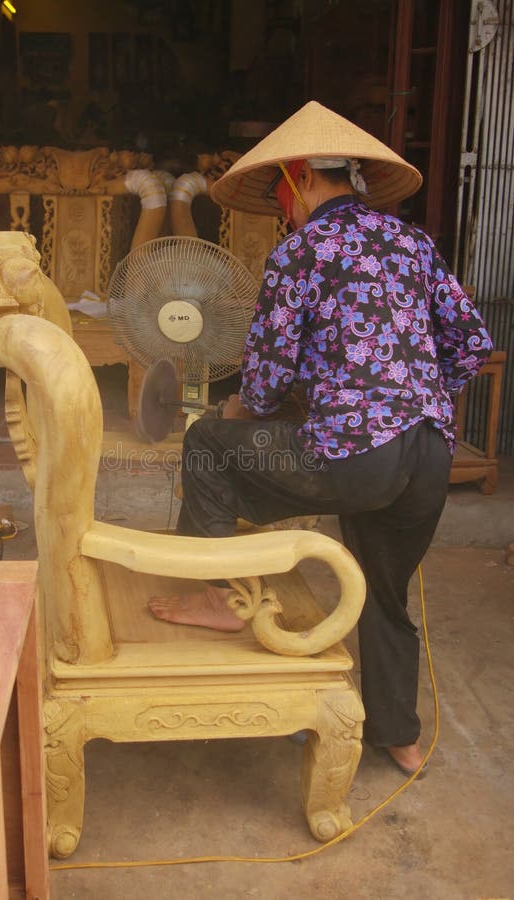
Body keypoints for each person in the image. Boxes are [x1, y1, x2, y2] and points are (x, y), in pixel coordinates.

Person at [148, 101, 493, 776]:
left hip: (357, 457)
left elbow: (270, 379)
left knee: (210, 448)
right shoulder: (414, 242)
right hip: (427, 453)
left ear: (303, 176)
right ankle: (400, 736)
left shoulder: (301, 250)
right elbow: (472, 341)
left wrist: (233, 417)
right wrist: (413, 394)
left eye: (282, 189)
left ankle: (220, 595)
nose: (281, 205)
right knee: (383, 591)